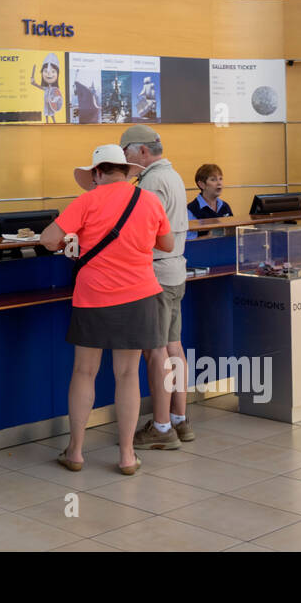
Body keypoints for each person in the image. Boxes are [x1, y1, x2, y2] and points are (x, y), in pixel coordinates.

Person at [40, 145, 173, 474]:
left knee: (85, 371)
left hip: (94, 297)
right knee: (127, 374)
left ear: (97, 172)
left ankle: (76, 452)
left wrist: (71, 239)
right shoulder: (149, 200)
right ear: (127, 171)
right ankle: (127, 456)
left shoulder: (86, 201)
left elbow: (47, 239)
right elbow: (167, 244)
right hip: (141, 296)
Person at [121, 124, 192, 448]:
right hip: (176, 271)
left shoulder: (150, 182)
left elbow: (142, 231)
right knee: (173, 346)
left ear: (142, 151)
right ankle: (179, 419)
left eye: (126, 153)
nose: (124, 160)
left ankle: (161, 428)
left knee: (156, 351)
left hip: (156, 275)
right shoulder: (173, 175)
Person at [29, 54, 63, 122]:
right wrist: (34, 83)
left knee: (52, 113)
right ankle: (47, 122)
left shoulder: (54, 89)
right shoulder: (46, 88)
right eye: (45, 71)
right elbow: (39, 87)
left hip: (51, 103)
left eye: (53, 71)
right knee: (46, 113)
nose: (49, 74)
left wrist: (53, 100)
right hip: (46, 103)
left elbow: (58, 97)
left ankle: (54, 122)